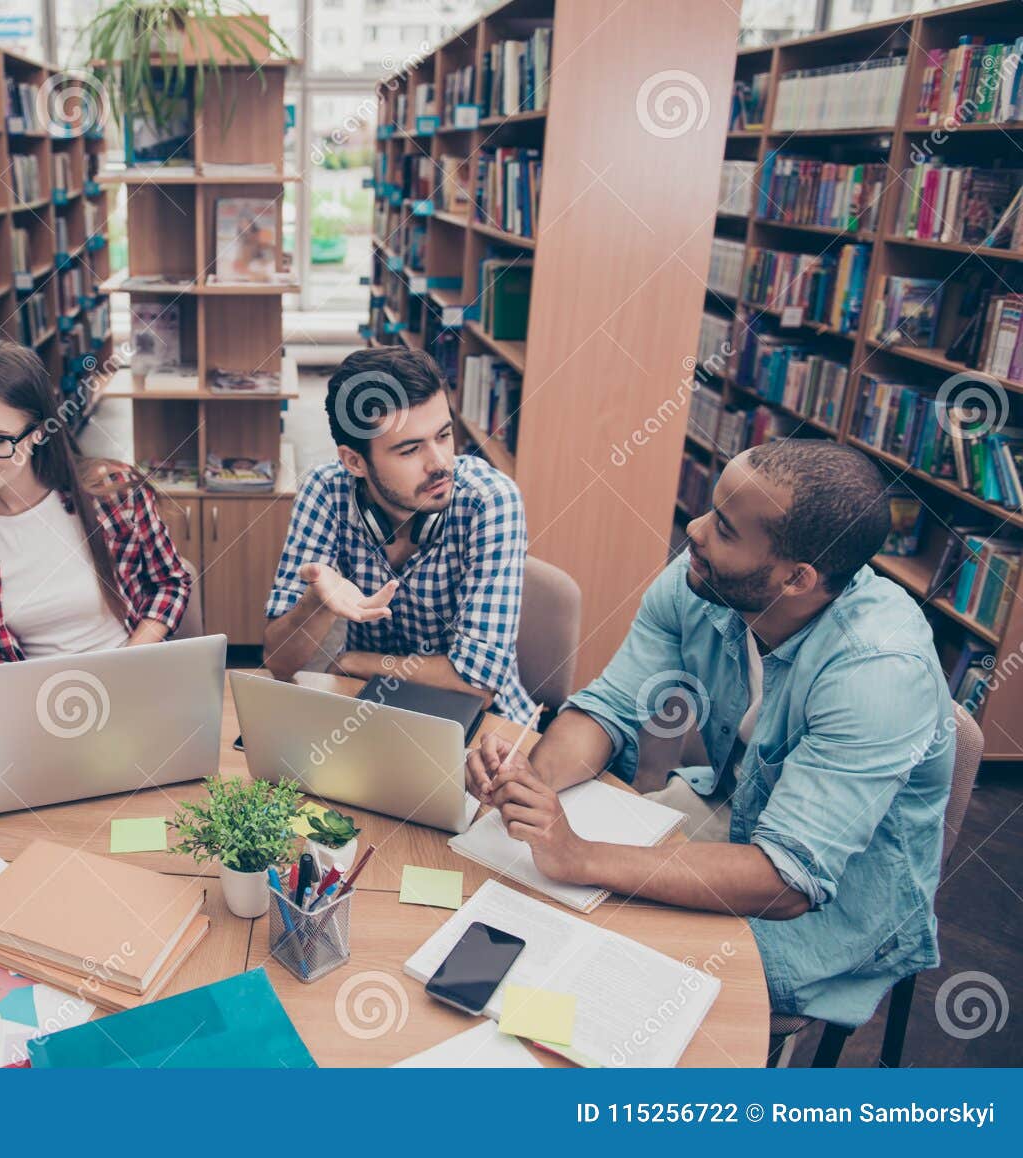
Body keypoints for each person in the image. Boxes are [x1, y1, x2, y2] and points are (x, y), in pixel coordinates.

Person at [468, 440, 954, 1027]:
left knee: (598, 977)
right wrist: (526, 785)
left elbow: (787, 880)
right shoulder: (707, 579)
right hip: (731, 818)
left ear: (797, 577)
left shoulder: (878, 673)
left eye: (724, 528)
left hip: (829, 907)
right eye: (710, 510)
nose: (694, 530)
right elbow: (611, 708)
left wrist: (579, 855)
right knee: (529, 911)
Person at [262, 345, 536, 723]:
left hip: (481, 727)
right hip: (365, 710)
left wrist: (355, 661)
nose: (440, 464)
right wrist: (316, 603)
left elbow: (478, 683)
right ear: (354, 462)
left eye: (443, 436)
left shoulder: (490, 501)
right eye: (410, 450)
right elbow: (278, 663)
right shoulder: (325, 491)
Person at [0, 340, 190, 664]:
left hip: (130, 675)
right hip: (32, 698)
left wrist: (128, 662)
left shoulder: (114, 492)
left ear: (39, 432)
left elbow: (170, 583)